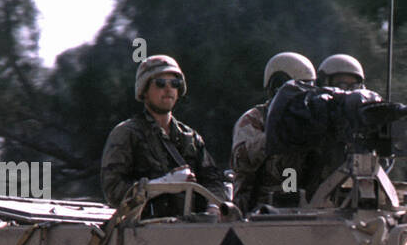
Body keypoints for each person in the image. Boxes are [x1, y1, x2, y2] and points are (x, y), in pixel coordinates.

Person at [101, 54, 229, 217]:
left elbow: (213, 180)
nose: (168, 89)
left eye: (174, 83)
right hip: (143, 232)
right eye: (160, 83)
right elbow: (113, 190)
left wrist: (213, 207)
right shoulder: (126, 134)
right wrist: (162, 185)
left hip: (191, 231)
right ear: (144, 90)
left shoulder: (190, 137)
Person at [231, 52, 317, 212]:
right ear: (278, 86)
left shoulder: (309, 122)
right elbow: (241, 160)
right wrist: (277, 134)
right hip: (253, 211)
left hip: (298, 208)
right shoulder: (254, 119)